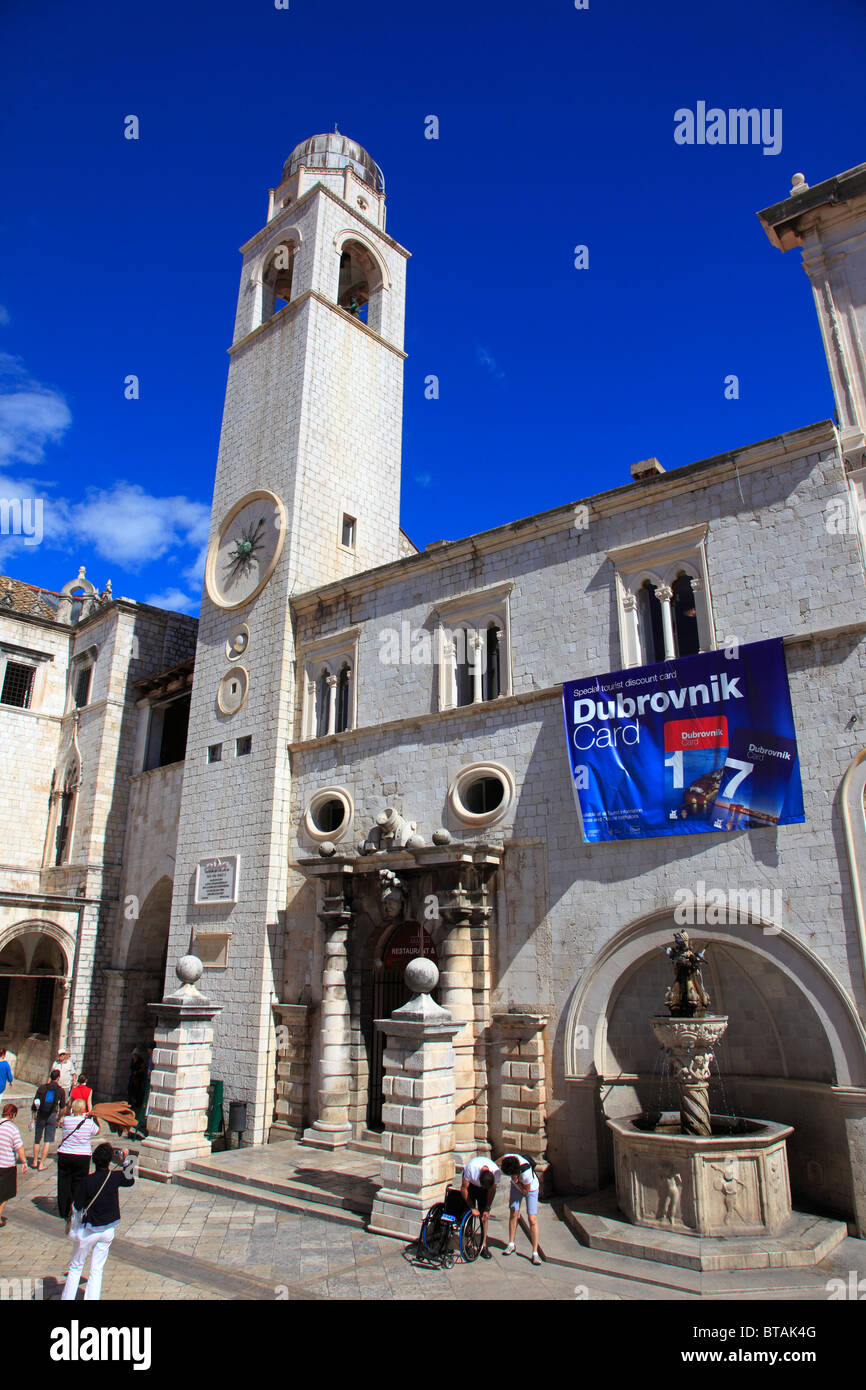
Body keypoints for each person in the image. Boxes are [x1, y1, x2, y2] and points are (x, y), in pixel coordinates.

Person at [61, 1142, 135, 1301]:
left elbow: (77, 1206)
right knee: (97, 1270)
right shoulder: (114, 1177)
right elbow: (130, 1179)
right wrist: (128, 1158)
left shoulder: (87, 1181)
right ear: (109, 1161)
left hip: (89, 1230)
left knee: (76, 1267)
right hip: (108, 1230)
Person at [56, 1100, 100, 1220]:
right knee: (79, 1183)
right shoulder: (88, 1123)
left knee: (63, 1183)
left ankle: (64, 1210)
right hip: (82, 1156)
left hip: (65, 1154)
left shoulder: (67, 1120)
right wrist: (93, 1118)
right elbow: (97, 1131)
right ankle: (76, 1208)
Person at [499, 1153, 542, 1265]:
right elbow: (498, 1162)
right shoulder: (508, 1158)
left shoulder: (526, 1172)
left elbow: (525, 1191)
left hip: (530, 1188)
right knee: (513, 1212)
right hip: (516, 1185)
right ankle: (511, 1244)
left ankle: (535, 1253)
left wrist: (517, 1181)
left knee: (532, 1219)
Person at [460, 1156, 501, 1259]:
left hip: (484, 1191)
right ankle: (468, 1244)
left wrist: (487, 1208)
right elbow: (464, 1189)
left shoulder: (495, 1171)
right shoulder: (471, 1168)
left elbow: (492, 1191)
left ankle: (483, 1245)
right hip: (471, 1187)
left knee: (484, 1217)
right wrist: (472, 1207)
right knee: (468, 1215)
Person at [31, 1070, 66, 1170]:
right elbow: (63, 1108)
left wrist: (33, 1114)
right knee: (47, 1140)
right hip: (52, 1115)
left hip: (41, 1114)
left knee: (37, 1139)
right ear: (58, 1078)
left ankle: (34, 1161)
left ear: (50, 1077)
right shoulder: (60, 1090)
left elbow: (35, 1102)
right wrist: (59, 1118)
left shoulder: (42, 1087)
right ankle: (41, 1164)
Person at [0, 1103, 28, 1226]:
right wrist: (24, 1161)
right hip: (6, 1165)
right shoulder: (12, 1129)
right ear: (12, 1115)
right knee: (5, 1193)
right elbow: (19, 1147)